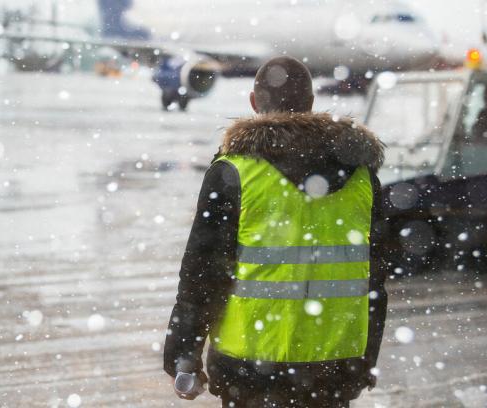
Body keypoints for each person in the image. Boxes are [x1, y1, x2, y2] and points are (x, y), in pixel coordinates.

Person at [163, 56, 388, 408]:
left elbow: (201, 275)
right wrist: (365, 360)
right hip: (334, 366)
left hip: (250, 368)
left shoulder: (233, 174)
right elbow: (376, 280)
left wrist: (183, 354)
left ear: (254, 104)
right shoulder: (364, 179)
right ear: (311, 105)